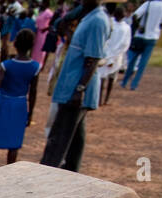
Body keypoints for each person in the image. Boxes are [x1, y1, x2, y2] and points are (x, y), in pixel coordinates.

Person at [41, 0, 106, 171]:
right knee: (75, 140)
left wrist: (79, 90)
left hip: (75, 90)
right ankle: (71, 174)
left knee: (59, 138)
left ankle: (44, 176)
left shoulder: (98, 20)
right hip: (70, 86)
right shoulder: (87, 17)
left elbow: (92, 60)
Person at [0, 26, 38, 169]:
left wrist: (2, 72)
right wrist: (30, 114)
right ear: (31, 46)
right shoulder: (35, 67)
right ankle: (9, 171)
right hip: (20, 104)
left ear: (16, 44)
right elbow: (33, 93)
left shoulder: (7, 65)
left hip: (3, 102)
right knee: (14, 143)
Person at [121, 0, 162, 90]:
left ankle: (124, 81)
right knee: (143, 63)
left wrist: (139, 26)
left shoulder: (148, 3)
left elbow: (135, 16)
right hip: (153, 37)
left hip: (140, 35)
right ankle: (134, 85)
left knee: (132, 61)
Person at [100, 1, 129, 105]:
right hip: (110, 55)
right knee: (104, 78)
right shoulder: (110, 23)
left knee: (107, 78)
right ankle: (102, 99)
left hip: (114, 56)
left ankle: (104, 99)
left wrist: (111, 57)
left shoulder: (125, 28)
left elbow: (125, 45)